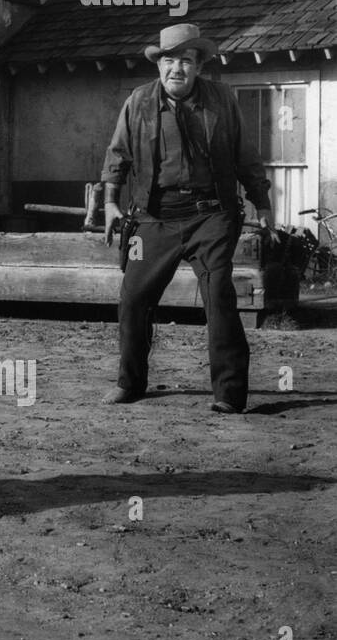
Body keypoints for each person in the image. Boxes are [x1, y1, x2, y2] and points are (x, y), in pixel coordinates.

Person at [100, 23, 273, 414]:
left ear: (198, 66)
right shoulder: (138, 102)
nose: (176, 68)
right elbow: (117, 157)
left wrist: (261, 203)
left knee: (218, 295)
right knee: (133, 298)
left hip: (210, 214)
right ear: (158, 64)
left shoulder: (222, 101)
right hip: (152, 218)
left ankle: (228, 393)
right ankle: (130, 383)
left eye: (185, 60)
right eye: (169, 60)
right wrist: (111, 203)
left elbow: (246, 157)